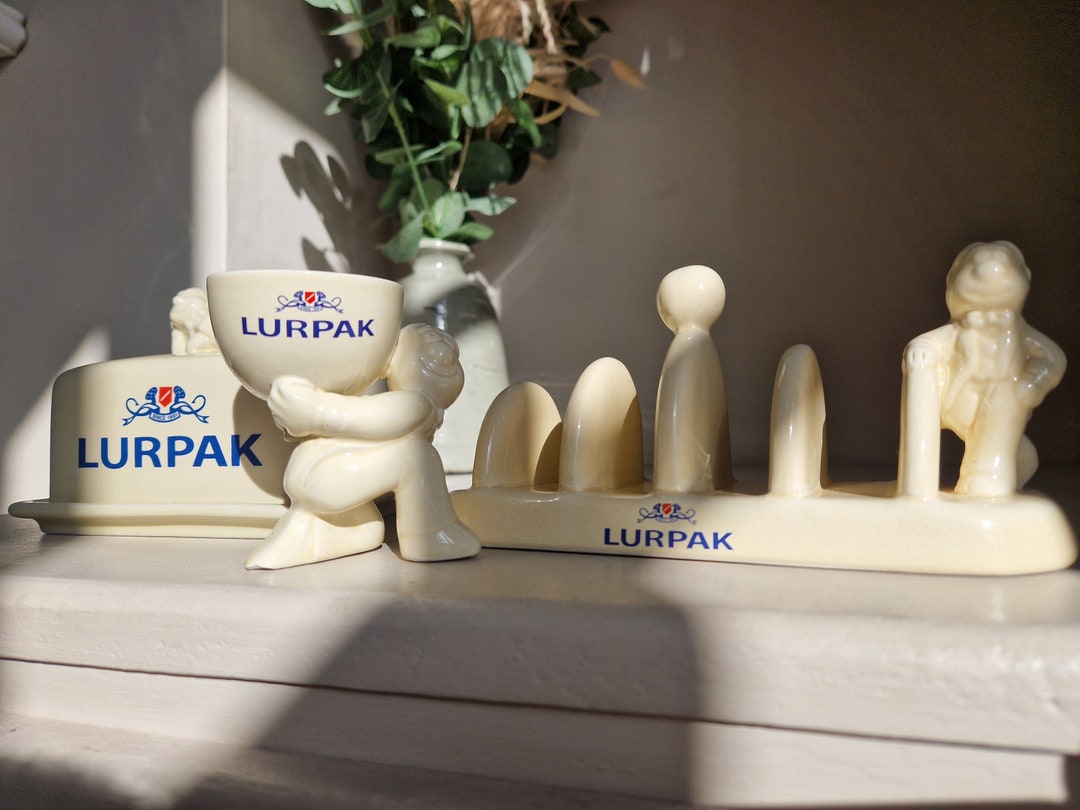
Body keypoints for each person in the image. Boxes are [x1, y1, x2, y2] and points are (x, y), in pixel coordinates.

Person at [246, 324, 481, 569]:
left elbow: (359, 420)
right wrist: (314, 411)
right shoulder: (415, 404)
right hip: (324, 478)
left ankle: (344, 528)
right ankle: (429, 537)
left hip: (314, 476)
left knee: (371, 524)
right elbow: (356, 416)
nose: (445, 356)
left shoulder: (408, 404)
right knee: (418, 458)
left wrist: (313, 412)